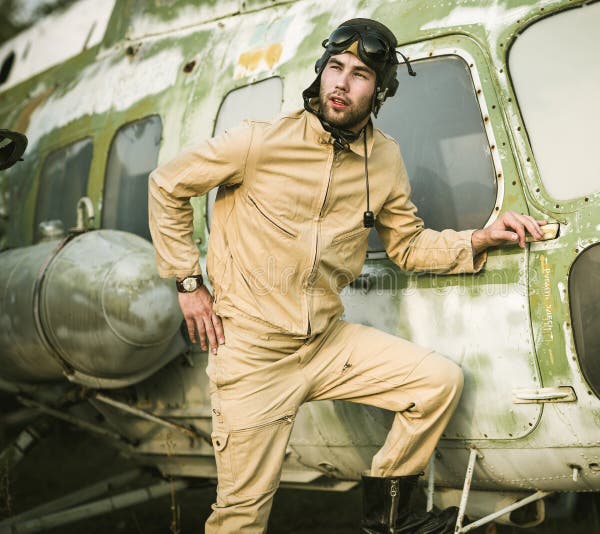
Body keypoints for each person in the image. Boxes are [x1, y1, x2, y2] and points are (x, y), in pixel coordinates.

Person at [149, 18, 546, 534]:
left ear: (379, 90)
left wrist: (479, 238)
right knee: (240, 518)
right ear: (319, 73)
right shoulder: (258, 142)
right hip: (253, 354)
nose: (341, 83)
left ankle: (388, 520)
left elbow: (408, 246)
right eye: (334, 68)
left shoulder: (385, 159)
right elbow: (167, 185)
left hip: (326, 342)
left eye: (359, 74)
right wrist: (188, 283)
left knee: (437, 383)